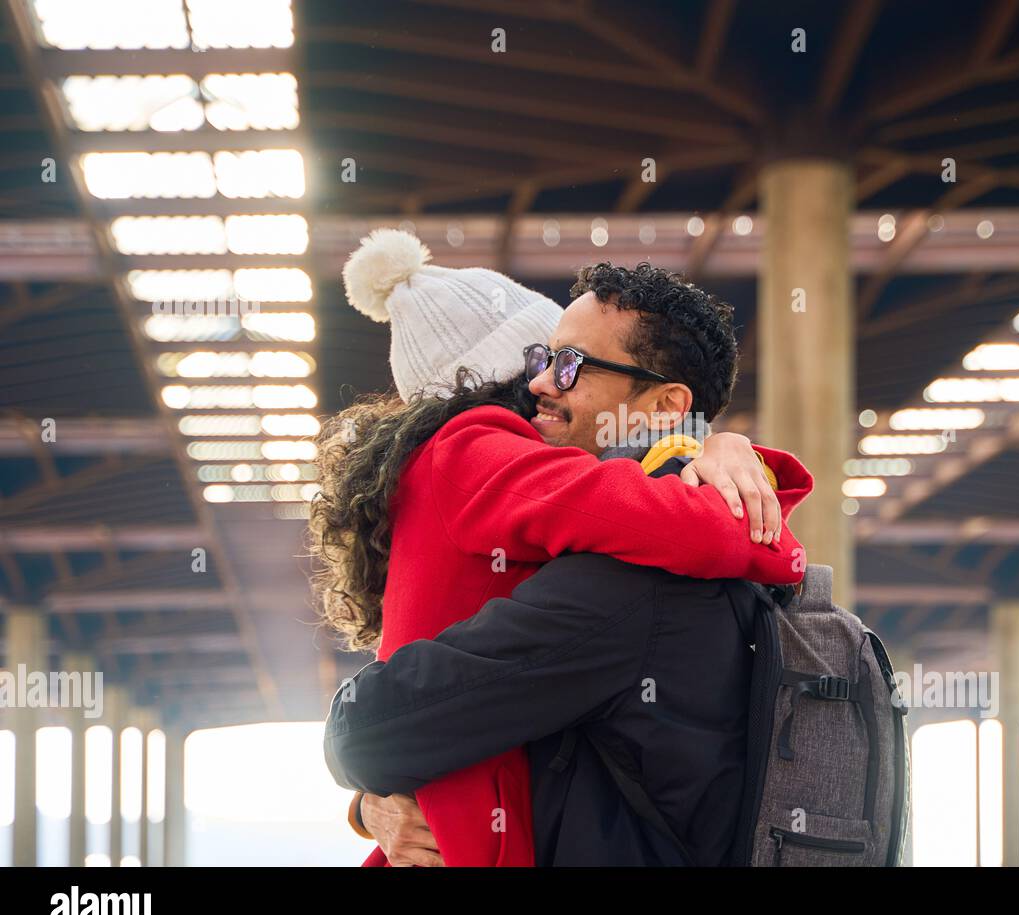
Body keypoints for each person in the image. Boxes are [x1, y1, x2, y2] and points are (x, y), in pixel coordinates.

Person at [310, 229, 811, 866]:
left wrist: (729, 456)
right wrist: (751, 484)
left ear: (664, 404)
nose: (546, 382)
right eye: (541, 360)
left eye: (567, 365)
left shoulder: (634, 574)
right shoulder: (478, 449)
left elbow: (379, 722)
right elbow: (702, 527)